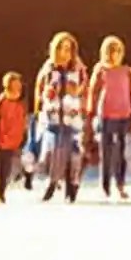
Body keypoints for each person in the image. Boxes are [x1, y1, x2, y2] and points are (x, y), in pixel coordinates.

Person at [34, 32, 91, 203]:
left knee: (72, 155)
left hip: (72, 117)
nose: (64, 53)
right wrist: (40, 105)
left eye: (68, 49)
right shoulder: (49, 68)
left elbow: (84, 89)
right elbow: (40, 87)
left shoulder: (78, 69)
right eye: (61, 48)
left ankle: (69, 185)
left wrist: (80, 99)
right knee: (51, 153)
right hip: (52, 117)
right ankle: (54, 180)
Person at [89, 35, 131, 202]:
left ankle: (120, 185)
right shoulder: (100, 70)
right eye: (111, 51)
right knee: (105, 152)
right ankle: (104, 187)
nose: (115, 54)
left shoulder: (128, 71)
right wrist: (90, 113)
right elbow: (93, 91)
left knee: (121, 152)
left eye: (118, 51)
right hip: (105, 115)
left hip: (123, 115)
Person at [0, 72, 27, 203]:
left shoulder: (20, 103)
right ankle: (1, 191)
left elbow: (21, 121)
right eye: (15, 85)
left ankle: (15, 181)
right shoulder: (2, 102)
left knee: (10, 167)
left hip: (15, 140)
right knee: (2, 169)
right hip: (3, 141)